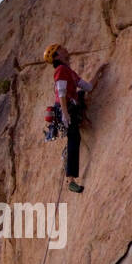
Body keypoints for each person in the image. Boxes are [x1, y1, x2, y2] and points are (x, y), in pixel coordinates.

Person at [43, 43, 92, 193]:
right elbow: (61, 92)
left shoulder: (68, 71)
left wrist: (101, 71)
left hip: (69, 107)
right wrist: (65, 113)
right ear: (57, 56)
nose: (65, 49)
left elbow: (87, 87)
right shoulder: (61, 70)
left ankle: (70, 176)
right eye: (61, 49)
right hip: (65, 109)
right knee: (74, 139)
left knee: (74, 138)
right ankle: (71, 180)